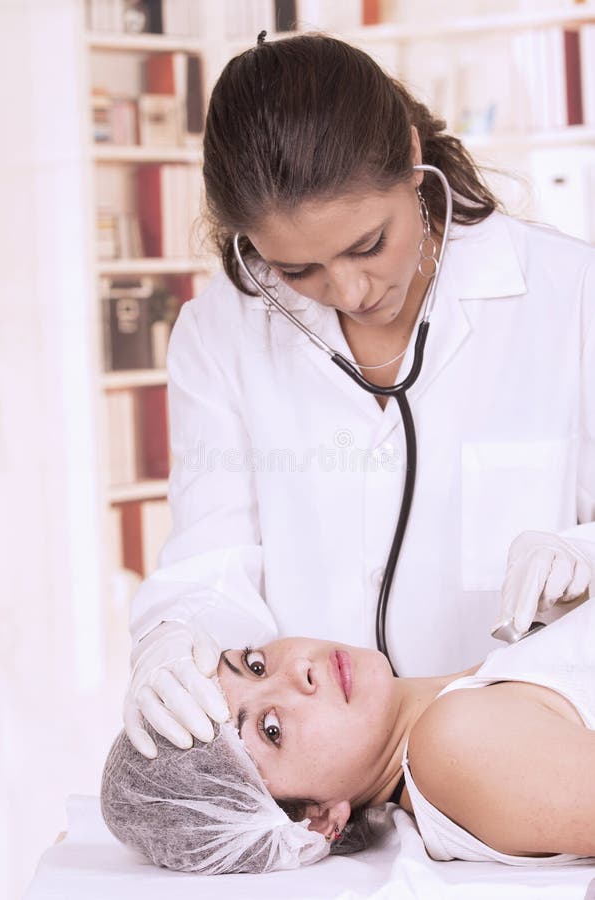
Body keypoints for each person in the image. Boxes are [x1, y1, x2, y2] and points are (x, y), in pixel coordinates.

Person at [123, 33, 595, 761]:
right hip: (328, 789)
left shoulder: (572, 295)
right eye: (297, 269)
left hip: (519, 761)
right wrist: (175, 637)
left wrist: (581, 553)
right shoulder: (219, 333)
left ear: (413, 163)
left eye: (369, 244)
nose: (348, 292)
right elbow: (211, 559)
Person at [103, 597, 595, 872]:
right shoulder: (455, 745)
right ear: (318, 820)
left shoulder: (471, 696)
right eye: (272, 729)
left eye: (255, 664)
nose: (299, 670)